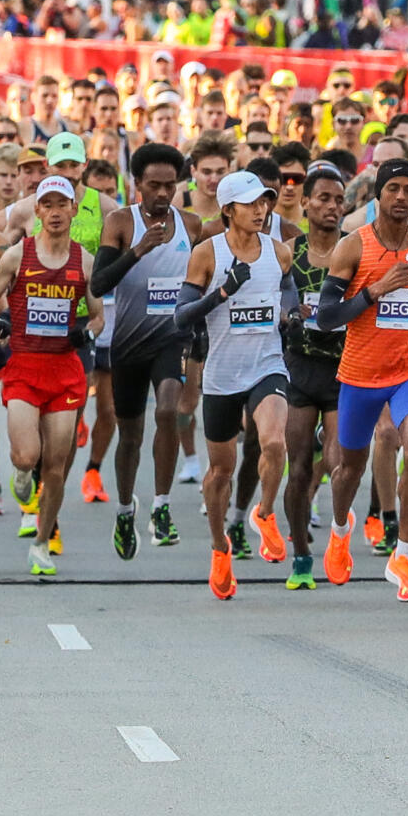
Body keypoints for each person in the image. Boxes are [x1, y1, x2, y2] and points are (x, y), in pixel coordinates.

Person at [312, 157, 408, 603]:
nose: (403, 197)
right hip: (361, 374)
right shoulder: (354, 247)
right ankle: (338, 530)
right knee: (348, 467)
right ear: (378, 195)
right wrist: (374, 290)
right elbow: (327, 318)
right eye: (395, 189)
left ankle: (404, 553)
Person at [172, 169, 292, 601]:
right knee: (221, 470)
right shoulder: (208, 254)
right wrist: (221, 294)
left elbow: (289, 293)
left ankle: (264, 513)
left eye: (265, 202)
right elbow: (181, 316)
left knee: (275, 442)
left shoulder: (277, 253)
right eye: (250, 204)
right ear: (228, 210)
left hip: (267, 366)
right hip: (222, 375)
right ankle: (220, 547)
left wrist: (292, 315)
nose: (261, 210)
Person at [0, 171, 100, 578]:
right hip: (25, 366)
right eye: (45, 205)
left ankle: (41, 543)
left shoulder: (84, 260)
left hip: (64, 368)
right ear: (37, 210)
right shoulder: (18, 255)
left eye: (61, 205)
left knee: (58, 463)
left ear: (73, 210)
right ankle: (19, 473)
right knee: (27, 455)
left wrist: (87, 332)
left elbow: (99, 316)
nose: (53, 213)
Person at [90, 142, 195, 558]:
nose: (163, 194)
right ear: (137, 185)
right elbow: (98, 284)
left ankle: (162, 506)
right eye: (155, 185)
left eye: (170, 186)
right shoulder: (120, 222)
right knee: (129, 435)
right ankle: (124, 507)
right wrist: (138, 250)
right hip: (129, 343)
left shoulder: (191, 225)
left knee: (169, 411)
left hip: (172, 340)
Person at [278, 162, 351, 590]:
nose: (331, 206)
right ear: (305, 202)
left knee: (339, 463)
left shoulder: (353, 250)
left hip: (345, 369)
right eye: (323, 198)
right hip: (300, 367)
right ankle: (301, 553)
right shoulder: (291, 254)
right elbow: (279, 299)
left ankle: (336, 538)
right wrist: (290, 316)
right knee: (299, 466)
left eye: (339, 200)